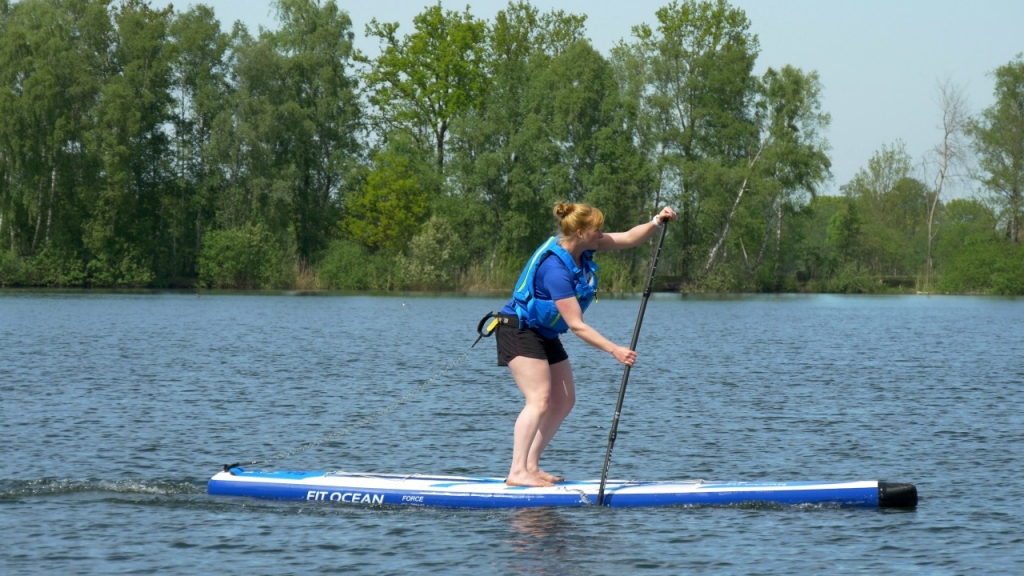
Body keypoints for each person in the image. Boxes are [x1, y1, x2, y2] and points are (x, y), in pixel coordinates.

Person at [496, 201, 677, 487]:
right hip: (518, 330)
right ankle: (517, 471)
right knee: (539, 399)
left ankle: (531, 466)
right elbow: (577, 325)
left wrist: (656, 221)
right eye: (597, 230)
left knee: (564, 400)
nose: (602, 235)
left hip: (544, 333)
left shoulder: (584, 246)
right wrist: (614, 349)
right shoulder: (555, 270)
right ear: (580, 232)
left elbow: (629, 237)